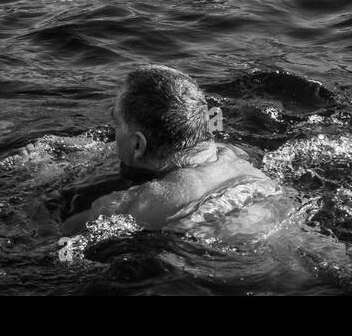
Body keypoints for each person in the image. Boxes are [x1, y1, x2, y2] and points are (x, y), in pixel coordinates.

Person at [61, 66, 285, 234]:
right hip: (286, 220)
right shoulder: (234, 155)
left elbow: (58, 233)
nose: (114, 131)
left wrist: (39, 174)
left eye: (116, 125)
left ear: (138, 144)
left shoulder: (143, 201)